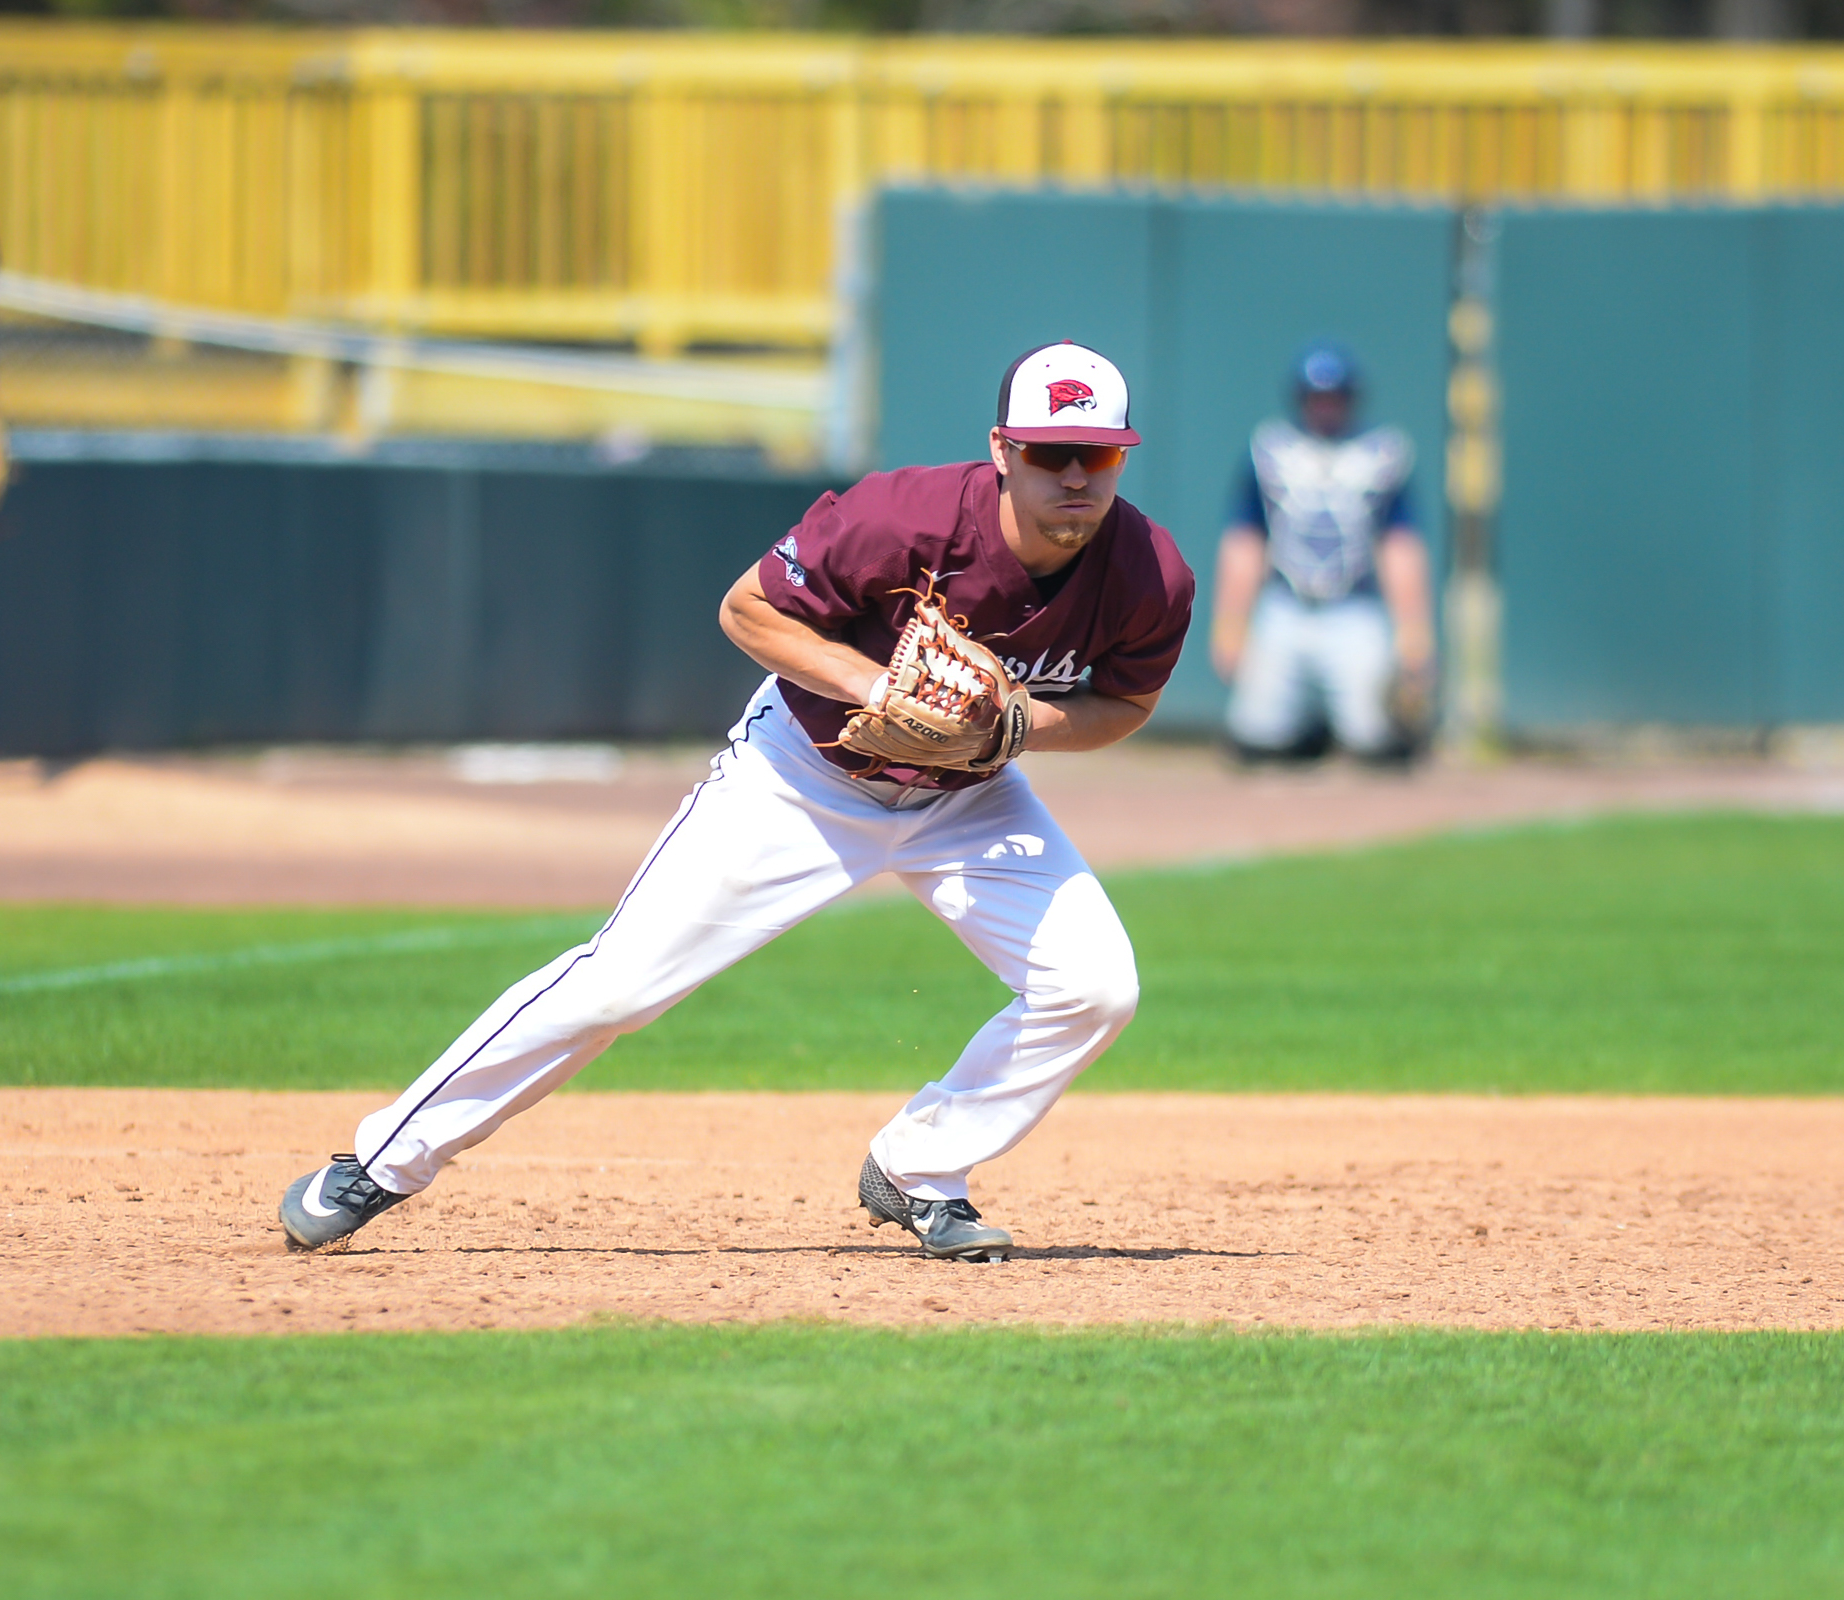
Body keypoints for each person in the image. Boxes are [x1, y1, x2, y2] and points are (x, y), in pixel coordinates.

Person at [279, 341, 1196, 1262]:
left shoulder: (1149, 573)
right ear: (1002, 450)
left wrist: (1016, 728)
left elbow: (1126, 706)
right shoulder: (903, 519)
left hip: (968, 800)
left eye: (1098, 454)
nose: (1075, 476)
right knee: (617, 987)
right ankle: (383, 1159)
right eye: (1050, 452)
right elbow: (747, 610)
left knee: (1095, 987)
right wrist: (876, 687)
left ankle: (920, 1168)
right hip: (804, 778)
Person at [1209, 342, 1434, 763]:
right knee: (1256, 739)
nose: (1325, 407)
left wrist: (1414, 631)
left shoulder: (1383, 452)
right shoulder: (1270, 448)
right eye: (1316, 397)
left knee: (1377, 742)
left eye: (1335, 397)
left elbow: (1400, 546)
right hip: (1285, 604)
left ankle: (1346, 737)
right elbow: (1245, 543)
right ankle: (1308, 736)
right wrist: (1231, 623)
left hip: (1354, 608)